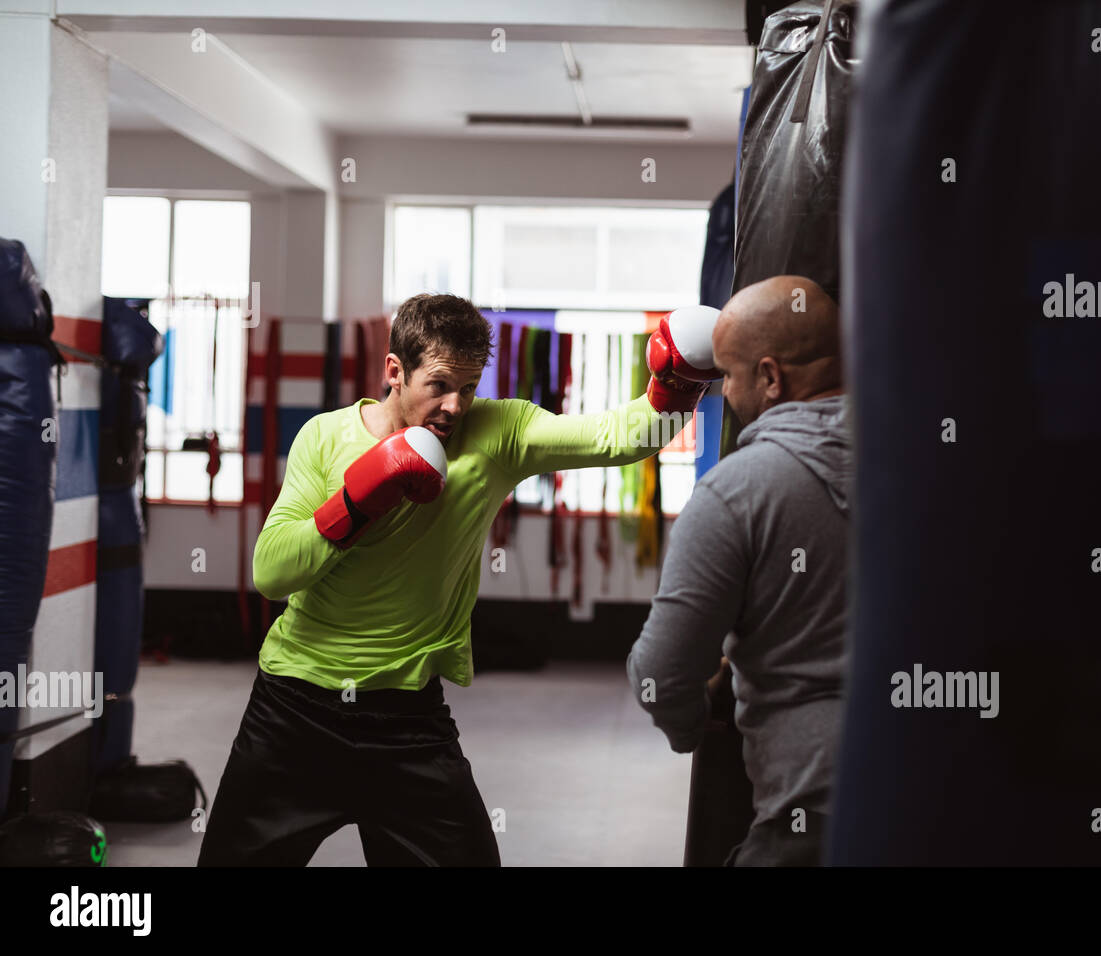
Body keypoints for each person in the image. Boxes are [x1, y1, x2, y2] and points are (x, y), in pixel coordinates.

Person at [198, 292, 720, 866]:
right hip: (292, 712)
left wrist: (677, 384)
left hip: (407, 720)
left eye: (468, 388)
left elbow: (620, 437)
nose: (454, 406)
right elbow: (271, 573)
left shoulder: (498, 431)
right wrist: (354, 504)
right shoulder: (324, 438)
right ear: (394, 371)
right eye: (440, 385)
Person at [627, 275, 849, 866]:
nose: (724, 392)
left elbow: (661, 673)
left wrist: (691, 725)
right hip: (950, 803)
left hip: (813, 817)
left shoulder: (737, 490)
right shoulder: (941, 464)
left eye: (729, 374)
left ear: (771, 378)